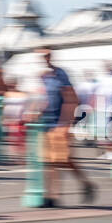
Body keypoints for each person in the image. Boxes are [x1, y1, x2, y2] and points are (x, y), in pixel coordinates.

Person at [36, 47, 94, 207]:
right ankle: (78, 186)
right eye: (41, 56)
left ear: (51, 56)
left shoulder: (60, 74)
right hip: (47, 123)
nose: (44, 59)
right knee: (54, 161)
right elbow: (45, 98)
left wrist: (65, 123)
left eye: (46, 56)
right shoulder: (44, 77)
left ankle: (53, 196)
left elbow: (72, 99)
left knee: (57, 161)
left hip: (59, 123)